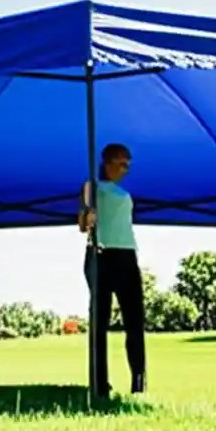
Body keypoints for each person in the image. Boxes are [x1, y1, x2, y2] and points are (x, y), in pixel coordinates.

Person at [78, 142, 146, 394]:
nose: (126, 169)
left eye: (128, 164)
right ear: (108, 162)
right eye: (121, 163)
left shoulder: (123, 193)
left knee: (135, 321)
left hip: (127, 256)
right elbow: (83, 224)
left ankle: (139, 382)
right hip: (101, 255)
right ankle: (99, 385)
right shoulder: (91, 187)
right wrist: (88, 217)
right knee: (100, 321)